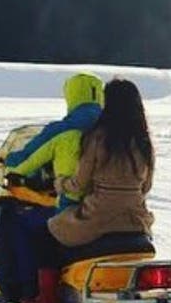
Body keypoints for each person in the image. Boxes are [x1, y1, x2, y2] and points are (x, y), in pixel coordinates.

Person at [5, 73, 104, 303]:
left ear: (71, 96)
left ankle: (38, 294)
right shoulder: (116, 130)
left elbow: (24, 161)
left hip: (74, 208)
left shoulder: (64, 129)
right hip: (118, 209)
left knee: (30, 228)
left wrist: (6, 160)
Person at [47, 77, 155, 253]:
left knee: (52, 227)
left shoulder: (97, 137)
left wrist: (60, 183)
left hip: (97, 218)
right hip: (136, 220)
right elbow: (146, 186)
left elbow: (79, 184)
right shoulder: (144, 142)